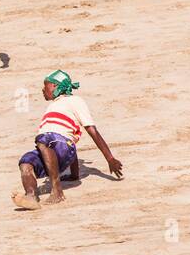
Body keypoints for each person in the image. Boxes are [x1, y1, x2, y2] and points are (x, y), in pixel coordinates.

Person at [12, 71, 123, 210]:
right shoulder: (53, 106)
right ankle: (31, 196)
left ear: (54, 85)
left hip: (55, 144)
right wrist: (74, 175)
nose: (42, 90)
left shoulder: (74, 101)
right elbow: (66, 137)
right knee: (26, 161)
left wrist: (110, 158)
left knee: (45, 139)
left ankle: (57, 191)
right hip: (52, 148)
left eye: (45, 86)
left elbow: (90, 131)